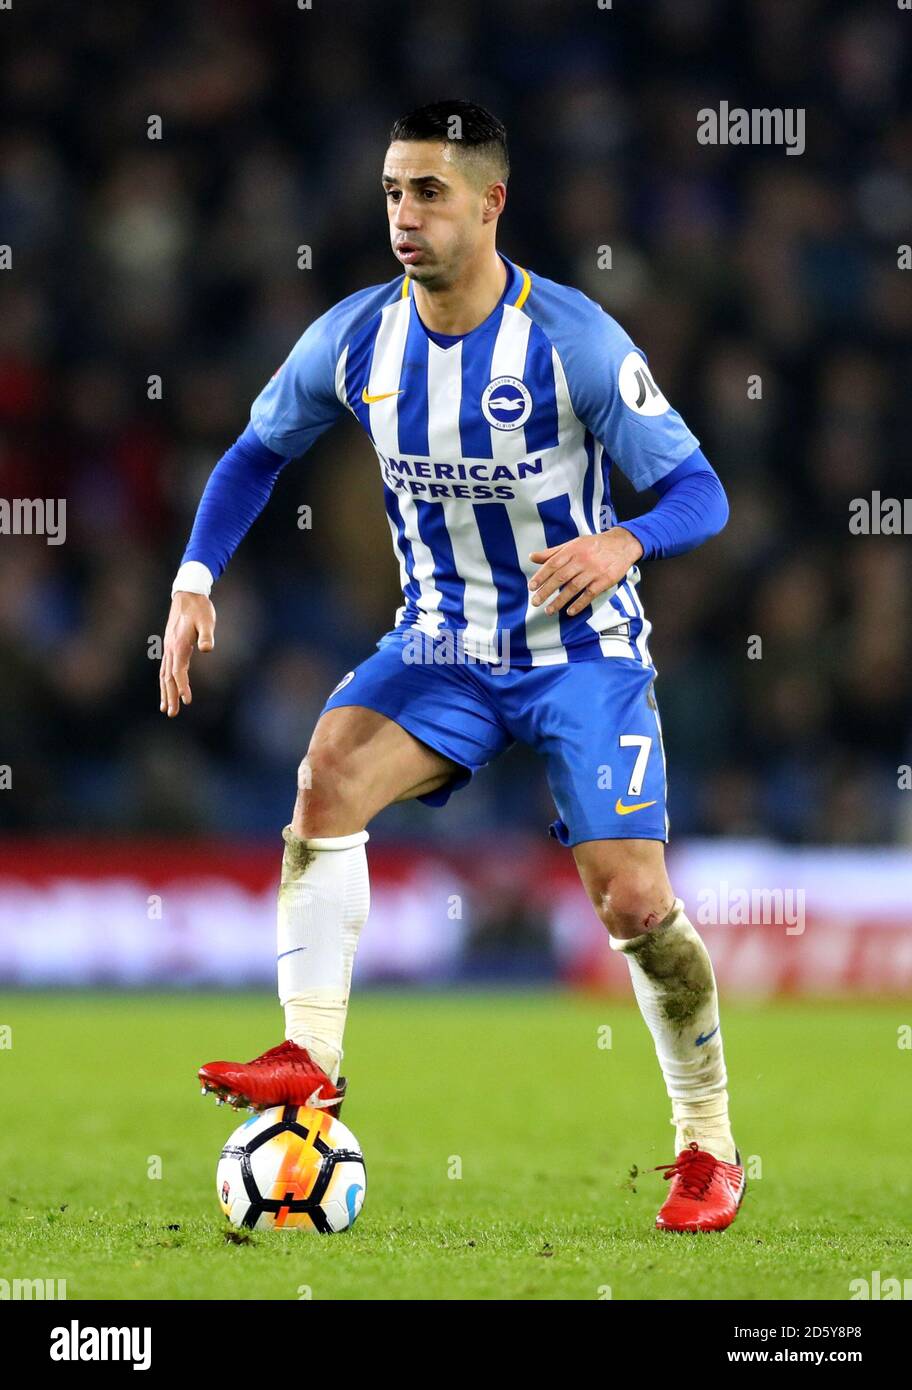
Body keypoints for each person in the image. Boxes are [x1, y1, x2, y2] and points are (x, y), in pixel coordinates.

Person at [160, 100, 742, 1232]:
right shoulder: (358, 339)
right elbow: (251, 453)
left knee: (633, 900)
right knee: (325, 773)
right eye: (391, 192)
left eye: (428, 192)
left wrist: (623, 539)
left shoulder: (573, 341)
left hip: (582, 652)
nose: (404, 217)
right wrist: (193, 577)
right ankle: (309, 1060)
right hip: (441, 646)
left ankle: (708, 1143)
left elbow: (701, 493)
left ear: (492, 201)